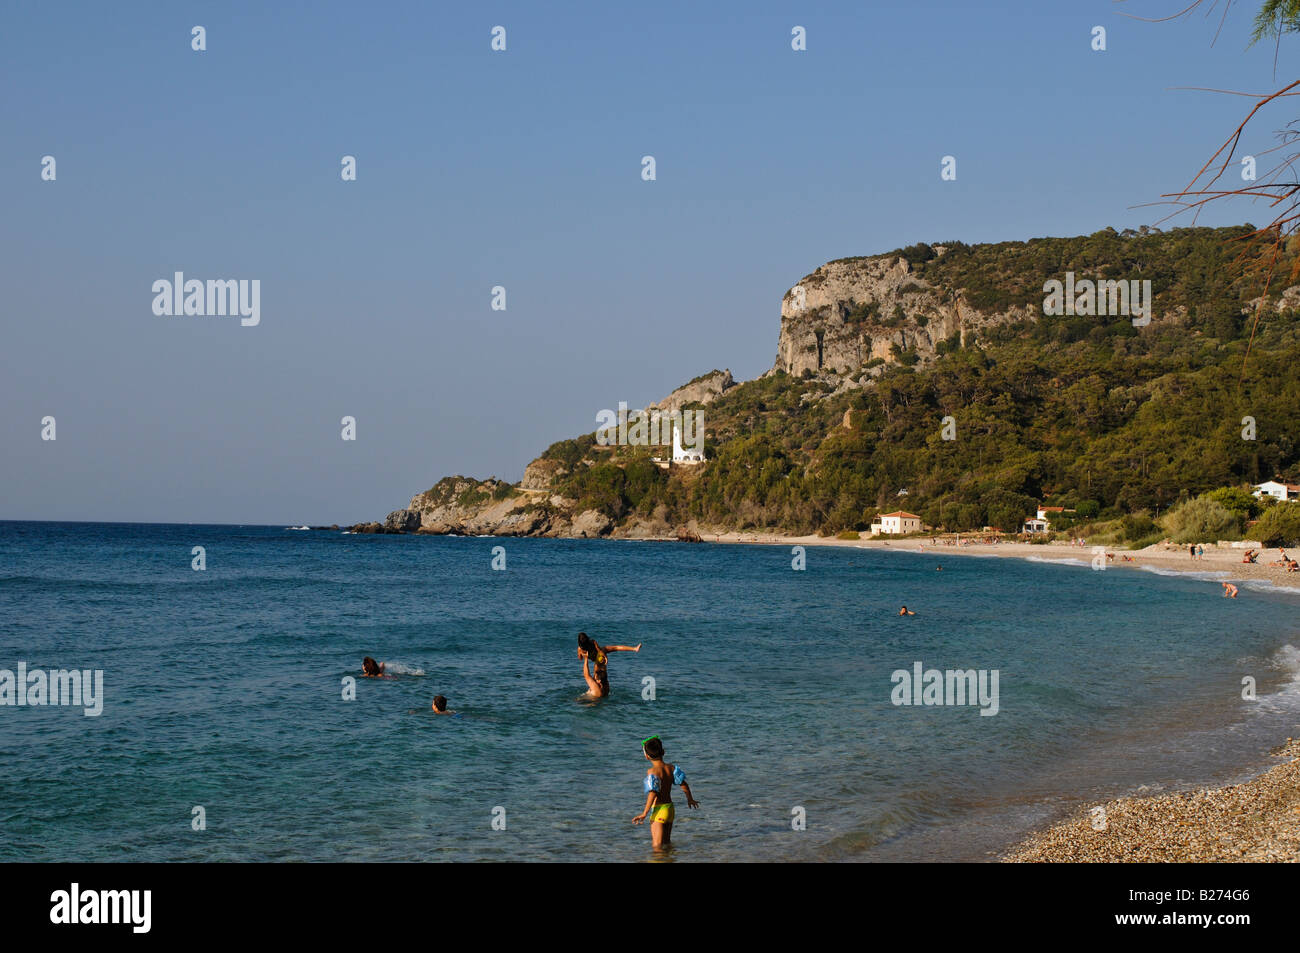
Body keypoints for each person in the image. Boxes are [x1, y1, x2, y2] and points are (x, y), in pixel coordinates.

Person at [631, 736, 699, 850]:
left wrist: (644, 813)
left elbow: (652, 793)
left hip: (659, 810)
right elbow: (684, 784)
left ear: (647, 756)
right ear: (663, 752)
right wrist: (690, 799)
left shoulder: (652, 771)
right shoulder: (671, 768)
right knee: (666, 843)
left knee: (656, 846)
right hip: (670, 809)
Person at [576, 632, 641, 697]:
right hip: (600, 658)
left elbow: (580, 658)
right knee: (615, 648)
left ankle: (592, 691)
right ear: (587, 638)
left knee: (595, 678)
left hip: (598, 660)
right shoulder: (592, 642)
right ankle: (634, 648)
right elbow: (599, 650)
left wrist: (584, 655)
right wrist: (604, 656)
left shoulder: (580, 649)